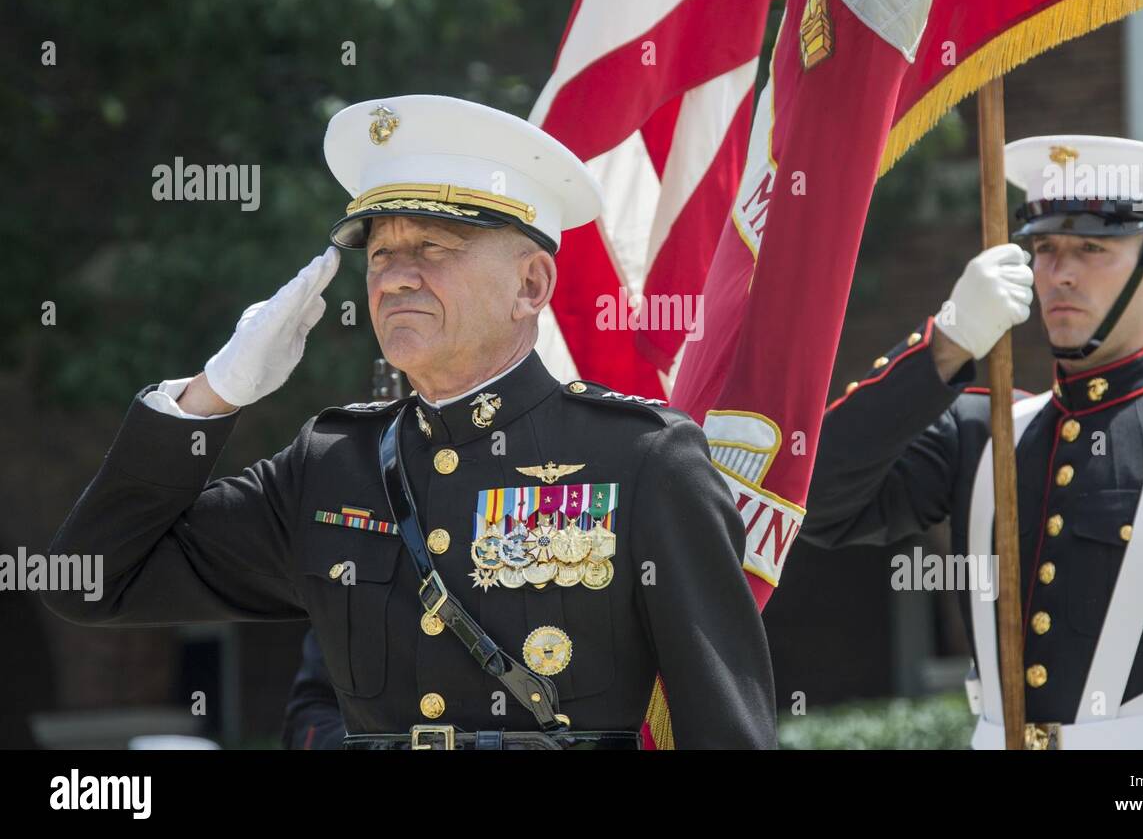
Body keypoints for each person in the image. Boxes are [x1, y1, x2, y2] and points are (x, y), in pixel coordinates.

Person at [45, 94, 777, 750]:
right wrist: (211, 395)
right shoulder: (332, 464)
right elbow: (89, 582)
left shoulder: (643, 461)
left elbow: (728, 731)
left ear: (530, 285)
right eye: (383, 252)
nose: (396, 274)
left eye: (433, 247)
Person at [803, 135, 1143, 749]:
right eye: (1044, 247)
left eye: (1092, 247)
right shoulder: (982, 434)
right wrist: (947, 345)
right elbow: (813, 500)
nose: (1059, 273)